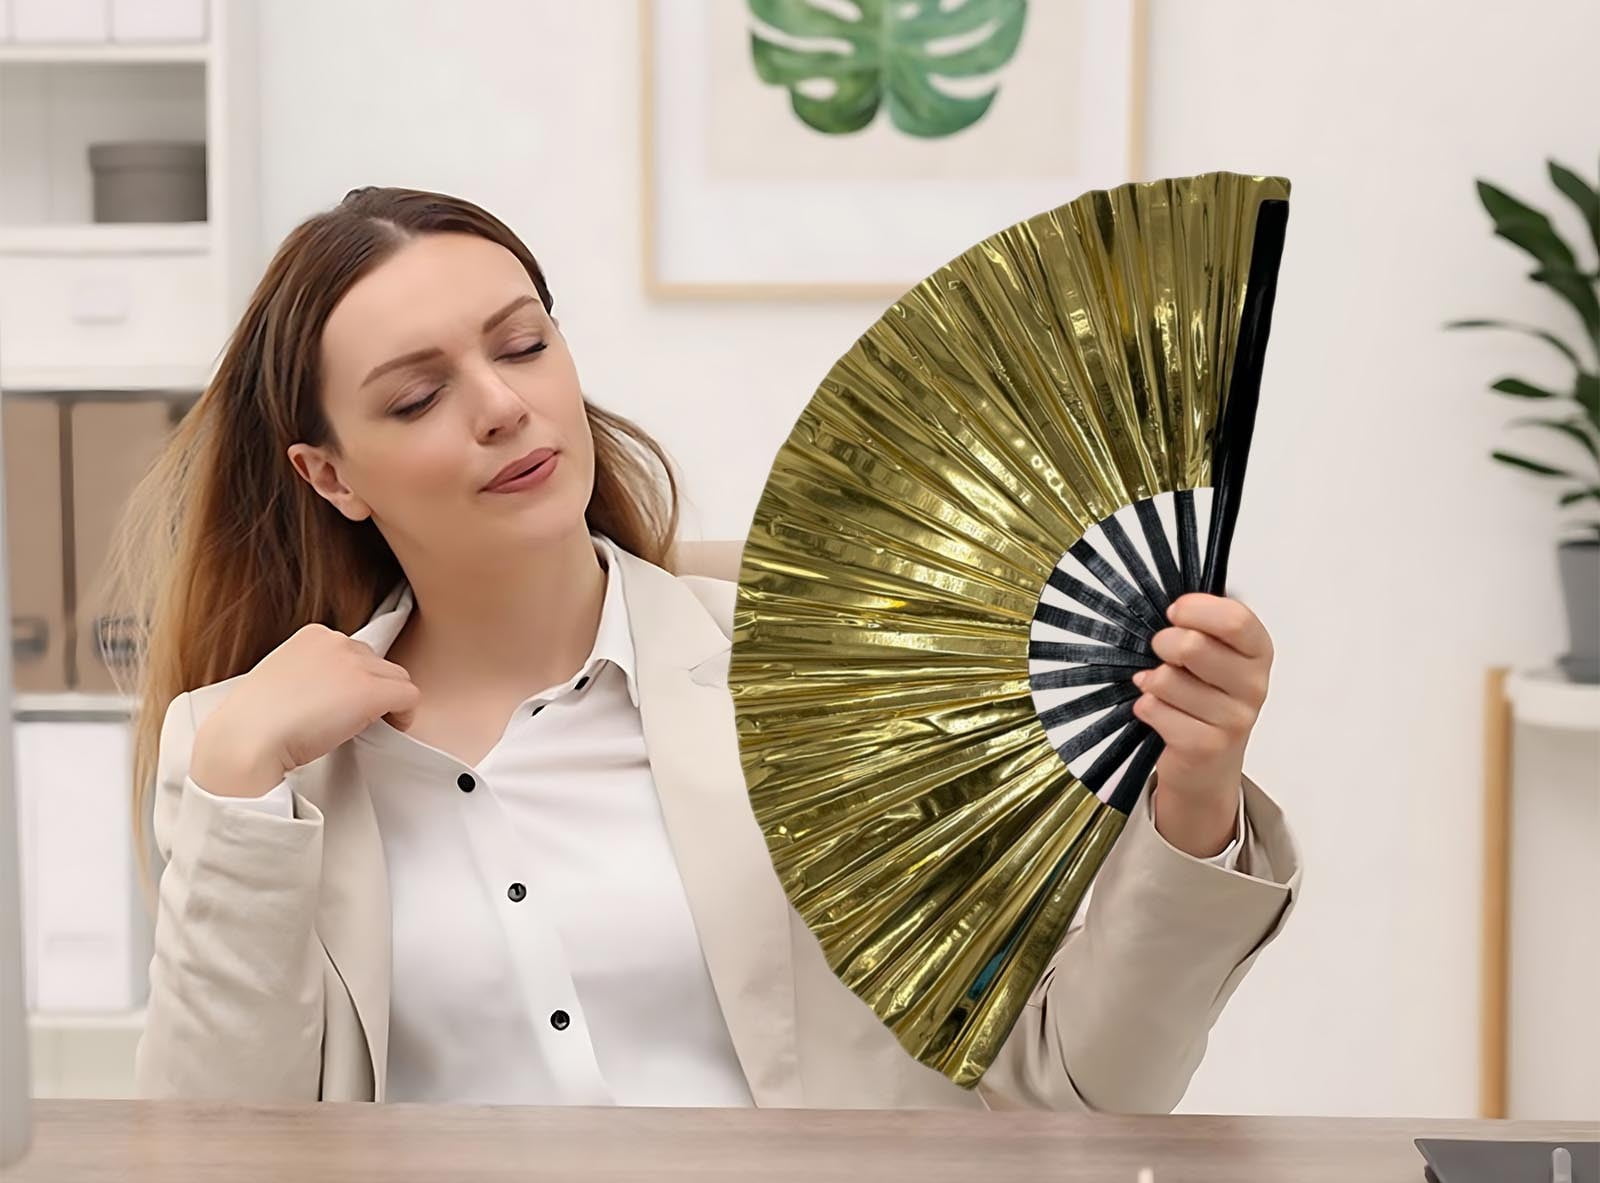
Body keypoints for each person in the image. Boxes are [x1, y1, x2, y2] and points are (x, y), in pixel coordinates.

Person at [114, 186, 1299, 1112]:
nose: (501, 406)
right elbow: (216, 1163)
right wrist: (238, 784)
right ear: (330, 474)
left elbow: (1072, 1092)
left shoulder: (814, 677)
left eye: (521, 346)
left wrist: (1194, 797)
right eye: (418, 397)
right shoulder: (244, 754)